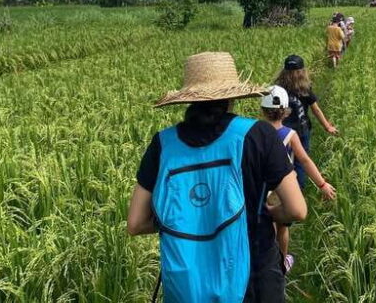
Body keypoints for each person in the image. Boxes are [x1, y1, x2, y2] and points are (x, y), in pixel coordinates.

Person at [127, 52, 307, 303]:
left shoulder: (163, 144)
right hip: (253, 280)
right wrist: (268, 212)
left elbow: (135, 223)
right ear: (232, 95)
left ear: (188, 99)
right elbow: (297, 210)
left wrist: (186, 219)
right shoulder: (258, 134)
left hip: (187, 285)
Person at [260, 85, 337, 273]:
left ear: (262, 110)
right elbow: (304, 160)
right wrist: (322, 183)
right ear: (286, 112)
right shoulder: (290, 135)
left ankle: (265, 263)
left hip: (262, 188)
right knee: (283, 228)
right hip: (283, 189)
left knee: (266, 226)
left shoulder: (256, 133)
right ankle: (282, 263)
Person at [275, 55, 338, 189]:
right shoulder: (304, 88)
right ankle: (298, 192)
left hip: (283, 134)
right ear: (302, 71)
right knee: (301, 161)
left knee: (283, 164)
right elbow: (316, 109)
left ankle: (286, 192)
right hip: (301, 131)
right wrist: (327, 127)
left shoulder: (278, 89)